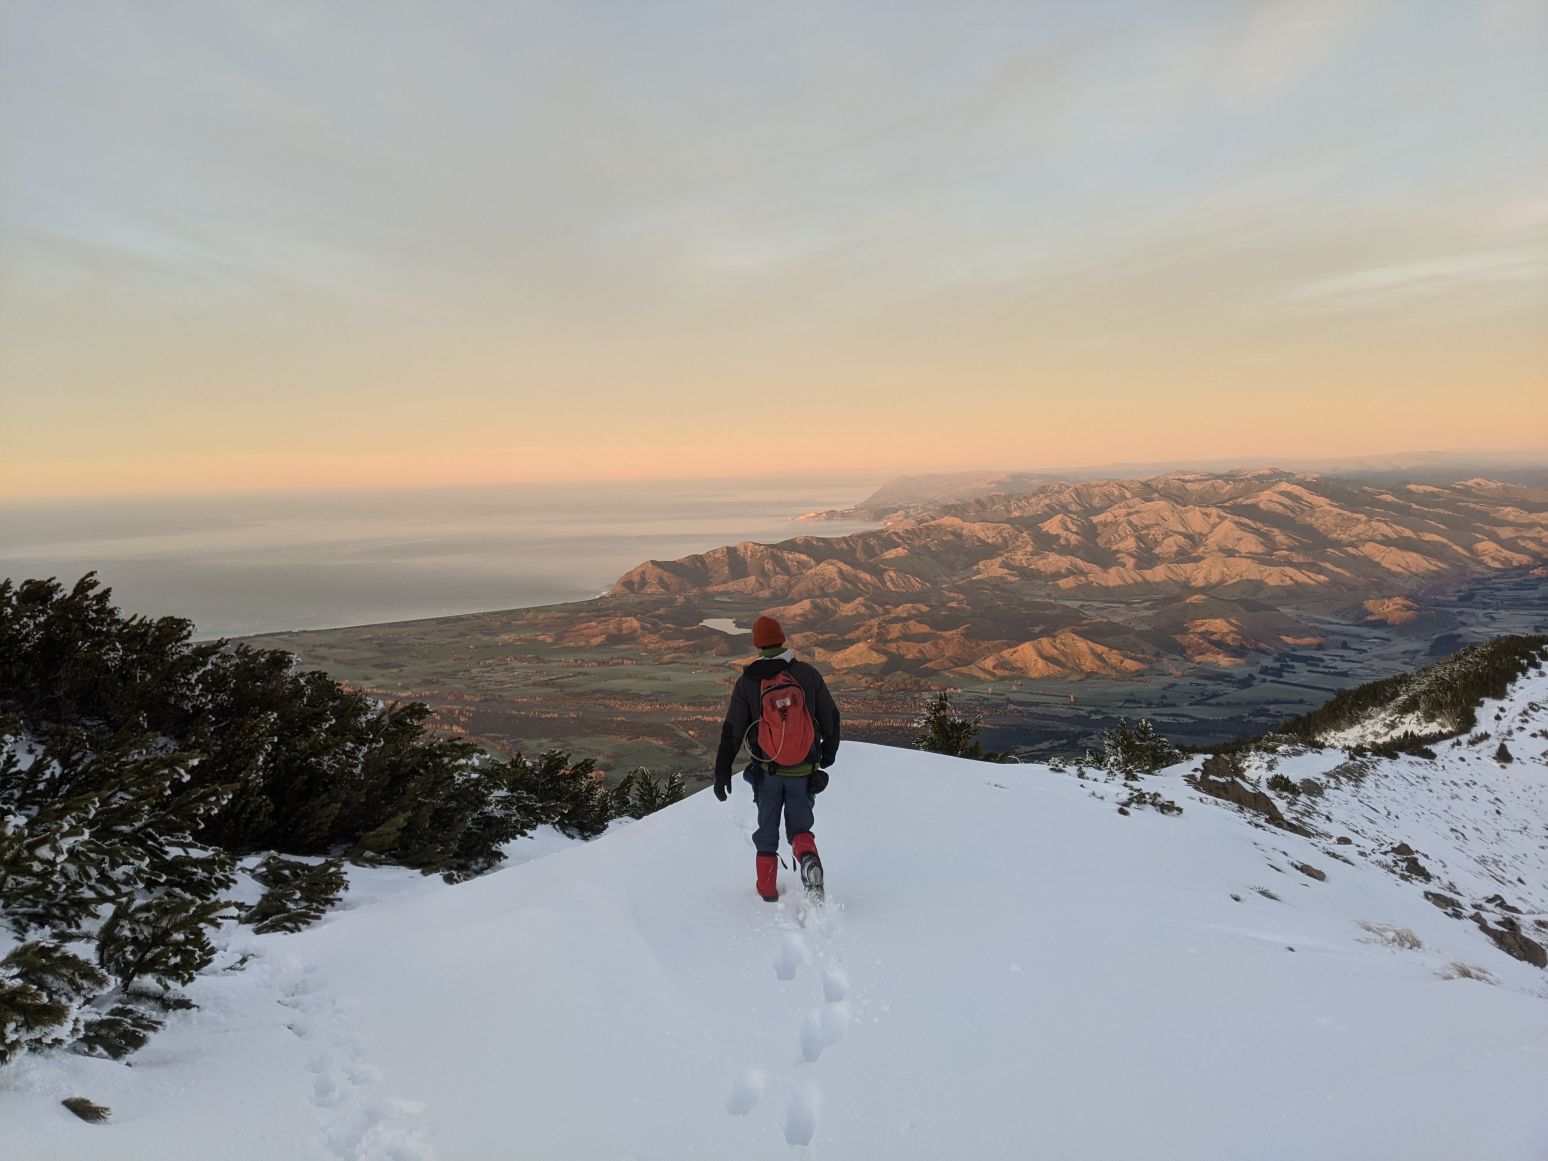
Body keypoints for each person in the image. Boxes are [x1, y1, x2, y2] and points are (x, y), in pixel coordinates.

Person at [713, 614, 840, 902]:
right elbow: (831, 718)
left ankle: (767, 891)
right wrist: (828, 755)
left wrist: (722, 771)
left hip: (767, 773)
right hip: (804, 771)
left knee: (767, 831)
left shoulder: (748, 682)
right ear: (782, 639)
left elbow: (732, 731)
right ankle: (808, 861)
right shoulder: (807, 674)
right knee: (800, 828)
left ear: (757, 645)